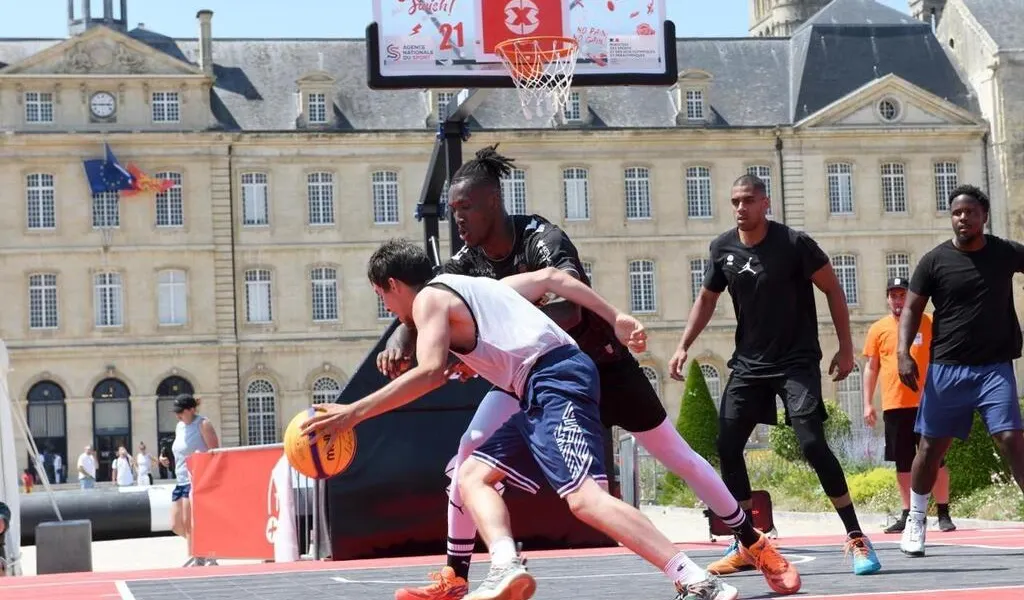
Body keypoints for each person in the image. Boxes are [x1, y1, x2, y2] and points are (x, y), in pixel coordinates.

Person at [381, 146, 799, 600]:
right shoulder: (466, 261)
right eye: (452, 211)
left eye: (465, 209)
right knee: (468, 454)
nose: (457, 219)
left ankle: (753, 542)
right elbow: (428, 303)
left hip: (596, 363)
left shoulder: (541, 238)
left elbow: (569, 310)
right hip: (532, 379)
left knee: (676, 455)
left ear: (493, 204)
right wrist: (399, 337)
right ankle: (456, 575)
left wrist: (486, 335)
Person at [304, 239, 739, 600]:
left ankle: (694, 578)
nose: (386, 306)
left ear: (393, 285)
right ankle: (506, 565)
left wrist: (354, 412)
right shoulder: (471, 286)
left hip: (555, 379)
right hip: (537, 386)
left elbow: (430, 372)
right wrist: (616, 315)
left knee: (585, 500)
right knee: (470, 474)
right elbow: (554, 279)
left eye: (381, 296)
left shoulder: (429, 300)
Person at [669, 174, 882, 577]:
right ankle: (748, 543)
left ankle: (855, 535)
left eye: (748, 200)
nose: (740, 208)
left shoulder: (794, 244)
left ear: (766, 202)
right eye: (734, 201)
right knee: (727, 444)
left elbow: (833, 289)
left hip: (796, 361)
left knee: (812, 444)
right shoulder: (722, 248)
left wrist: (847, 347)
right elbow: (707, 298)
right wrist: (683, 345)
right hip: (749, 364)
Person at [896, 184, 1024, 557]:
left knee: (1011, 439)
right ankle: (917, 519)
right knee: (931, 448)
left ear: (984, 216)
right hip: (947, 369)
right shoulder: (935, 261)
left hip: (993, 369)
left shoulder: (1004, 253)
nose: (962, 218)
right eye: (956, 212)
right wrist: (903, 352)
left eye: (970, 212)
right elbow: (911, 310)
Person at [862, 277, 955, 534]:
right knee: (902, 462)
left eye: (902, 295)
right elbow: (871, 368)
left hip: (929, 403)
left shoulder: (928, 323)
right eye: (893, 295)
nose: (898, 300)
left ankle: (943, 512)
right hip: (895, 404)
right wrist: (868, 403)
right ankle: (908, 513)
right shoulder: (878, 329)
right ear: (888, 299)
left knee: (936, 458)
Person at [160, 394, 219, 566]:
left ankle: (197, 555)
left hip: (197, 479)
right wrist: (166, 459)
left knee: (188, 522)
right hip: (181, 478)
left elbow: (215, 451)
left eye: (181, 412)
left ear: (192, 410)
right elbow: (180, 450)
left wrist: (203, 462)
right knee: (175, 524)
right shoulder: (179, 426)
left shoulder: (203, 424)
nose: (178, 415)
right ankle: (206, 548)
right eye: (176, 412)